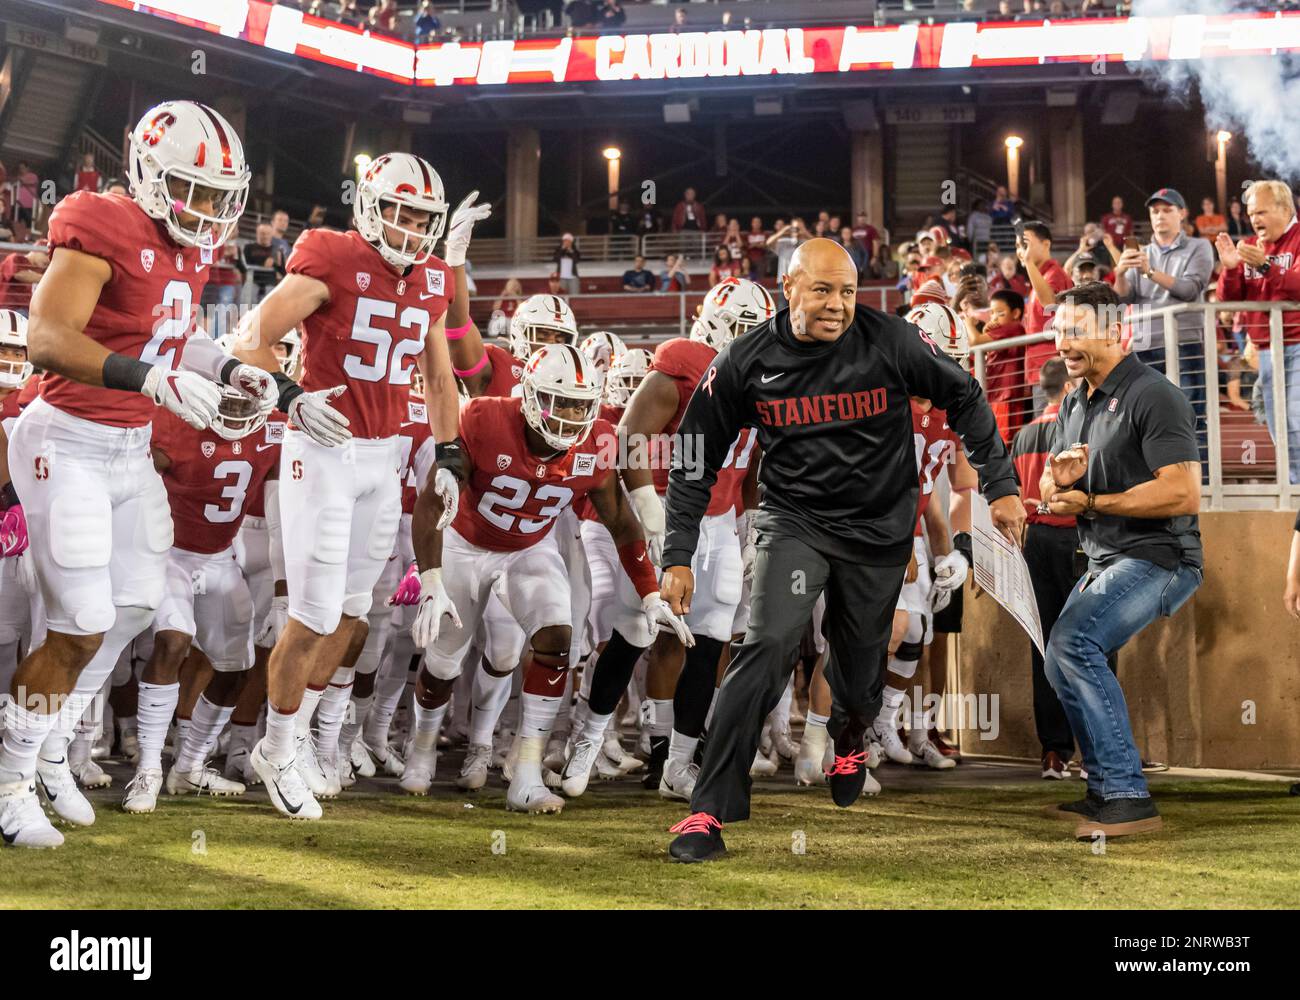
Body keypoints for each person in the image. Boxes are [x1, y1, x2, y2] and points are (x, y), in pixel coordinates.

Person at [660, 239, 1024, 862]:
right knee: (767, 645)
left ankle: (851, 736)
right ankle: (707, 811)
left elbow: (964, 393)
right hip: (794, 524)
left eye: (848, 291)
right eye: (823, 290)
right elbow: (694, 453)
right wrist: (677, 553)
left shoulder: (890, 340)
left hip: (877, 532)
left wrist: (1002, 486)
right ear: (790, 288)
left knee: (858, 672)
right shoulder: (746, 359)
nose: (837, 304)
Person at [0, 101, 276, 849]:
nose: (209, 210)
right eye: (195, 190)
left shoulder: (188, 247)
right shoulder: (101, 220)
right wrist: (149, 381)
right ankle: (11, 777)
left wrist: (227, 369)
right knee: (80, 620)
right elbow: (47, 338)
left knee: (128, 612)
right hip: (69, 439)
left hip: (126, 450)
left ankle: (53, 747)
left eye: (221, 196)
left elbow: (173, 339)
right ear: (151, 176)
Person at [231, 153, 481, 821]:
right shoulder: (332, 258)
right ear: (370, 207)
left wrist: (450, 455)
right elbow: (248, 339)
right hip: (323, 446)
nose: (409, 226)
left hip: (386, 454)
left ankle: (301, 736)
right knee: (311, 615)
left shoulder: (429, 279)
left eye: (422, 216)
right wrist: (290, 396)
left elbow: (439, 378)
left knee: (350, 616)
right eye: (398, 210)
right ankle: (275, 748)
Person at [1039, 281, 1202, 839]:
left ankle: (1129, 797)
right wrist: (1056, 484)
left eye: (1076, 330)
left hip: (1161, 556)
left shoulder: (1154, 394)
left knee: (1073, 642)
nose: (1063, 340)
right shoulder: (1072, 398)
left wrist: (1089, 501)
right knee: (1058, 659)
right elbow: (1053, 478)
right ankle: (1105, 789)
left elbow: (1182, 493)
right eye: (1059, 329)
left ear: (1116, 330)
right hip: (1103, 557)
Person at [1014, 359, 1115, 779]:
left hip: (1035, 542)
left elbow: (1017, 494)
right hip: (1078, 539)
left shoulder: (1021, 436)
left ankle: (1054, 751)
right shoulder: (1081, 431)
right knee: (1097, 643)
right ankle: (1099, 750)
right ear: (1071, 385)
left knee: (1046, 647)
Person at [1113, 188, 1214, 473]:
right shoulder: (1140, 253)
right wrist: (1120, 273)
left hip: (1185, 343)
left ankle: (1200, 483)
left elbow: (1189, 289)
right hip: (1145, 347)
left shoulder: (1199, 247)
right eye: (1155, 211)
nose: (1160, 216)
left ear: (1182, 214)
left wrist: (1148, 272)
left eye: (1167, 210)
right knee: (1145, 417)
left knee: (1191, 414)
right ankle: (1153, 483)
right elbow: (1123, 299)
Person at [1215, 179, 1300, 484]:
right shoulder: (1251, 246)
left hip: (1297, 343)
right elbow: (1228, 300)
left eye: (1262, 212)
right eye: (1252, 214)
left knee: (1294, 417)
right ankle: (1294, 486)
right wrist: (1230, 268)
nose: (1255, 220)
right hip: (1265, 348)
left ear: (1285, 208)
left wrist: (1266, 267)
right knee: (1279, 421)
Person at [1017, 221, 1072, 414]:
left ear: (1046, 244)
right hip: (1039, 368)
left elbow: (1049, 302)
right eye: (1018, 246)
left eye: (1025, 244)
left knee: (1051, 426)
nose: (1021, 251)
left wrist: (1029, 263)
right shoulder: (1037, 278)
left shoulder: (1054, 273)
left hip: (1052, 367)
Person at [242, 223, 285, 300]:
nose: (265, 236)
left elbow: (283, 272)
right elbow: (245, 265)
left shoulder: (277, 251)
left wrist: (276, 264)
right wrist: (263, 264)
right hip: (252, 281)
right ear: (257, 233)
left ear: (271, 234)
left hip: (270, 283)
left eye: (268, 233)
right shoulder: (249, 248)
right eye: (262, 233)